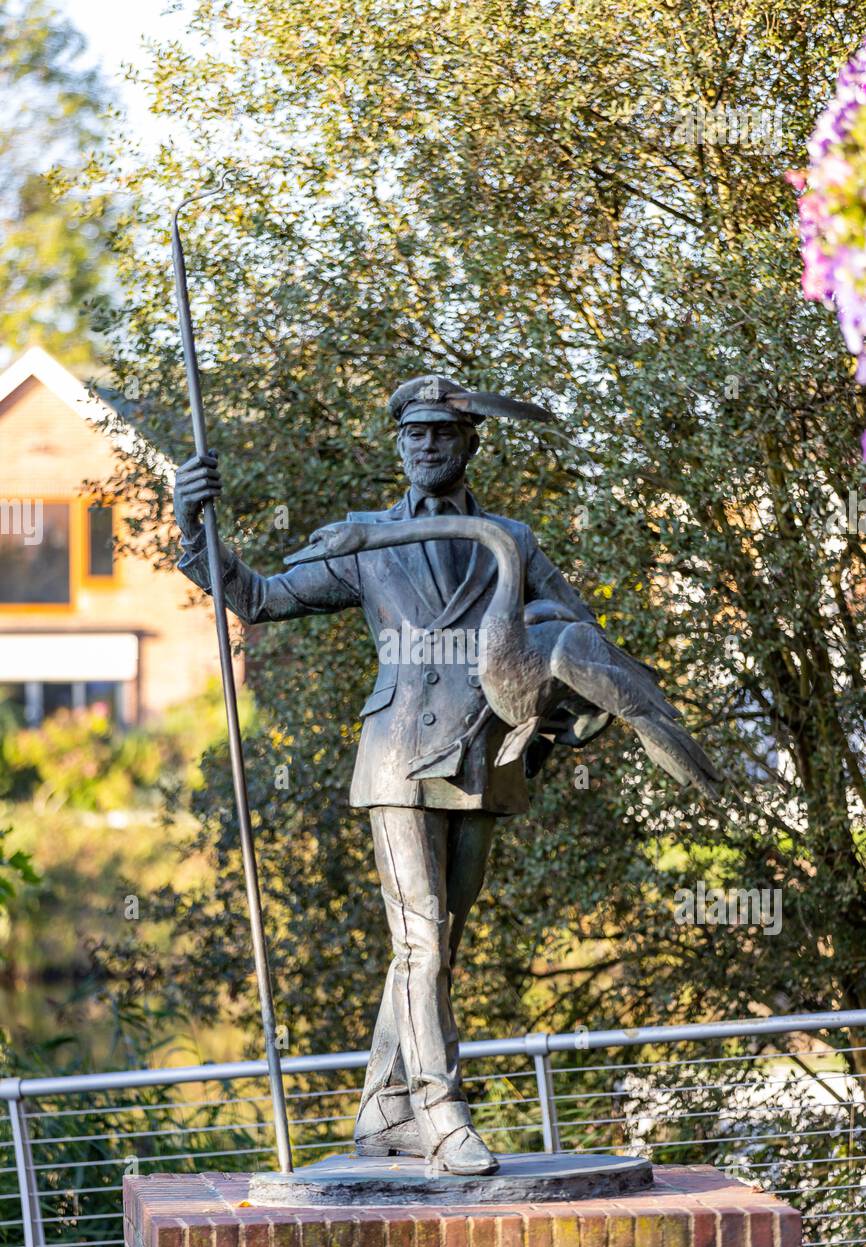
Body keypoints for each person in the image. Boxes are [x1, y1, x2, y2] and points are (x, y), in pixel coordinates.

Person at [173, 373, 602, 1175]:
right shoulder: (363, 538)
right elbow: (261, 598)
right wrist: (194, 529)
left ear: (470, 442)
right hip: (399, 759)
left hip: (482, 758)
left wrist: (562, 708)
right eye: (415, 433)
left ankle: (383, 1108)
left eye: (444, 432)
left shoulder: (512, 536)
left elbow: (573, 630)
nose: (428, 444)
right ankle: (443, 1114)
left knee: (437, 941)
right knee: (421, 941)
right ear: (398, 442)